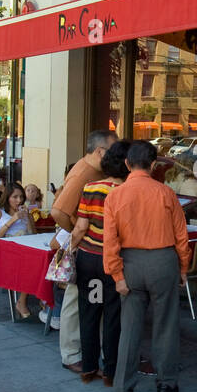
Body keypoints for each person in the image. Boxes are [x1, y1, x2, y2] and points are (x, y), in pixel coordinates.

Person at [104, 140, 191, 392]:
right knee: (165, 325)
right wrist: (183, 268)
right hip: (163, 261)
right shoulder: (166, 193)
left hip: (131, 263)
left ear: (127, 164)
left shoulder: (114, 196)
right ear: (153, 165)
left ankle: (124, 389)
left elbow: (111, 241)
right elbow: (181, 236)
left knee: (129, 328)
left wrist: (117, 276)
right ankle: (166, 385)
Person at [49, 128, 119, 371]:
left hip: (88, 245)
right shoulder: (85, 174)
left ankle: (87, 351)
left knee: (89, 300)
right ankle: (71, 354)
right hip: (85, 246)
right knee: (74, 301)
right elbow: (57, 211)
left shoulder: (90, 169)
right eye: (113, 152)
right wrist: (79, 233)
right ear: (100, 152)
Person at [71, 141, 131, 385]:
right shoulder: (129, 192)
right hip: (115, 262)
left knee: (90, 313)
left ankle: (88, 368)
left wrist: (71, 248)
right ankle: (110, 372)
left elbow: (81, 227)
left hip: (90, 260)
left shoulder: (91, 187)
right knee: (113, 316)